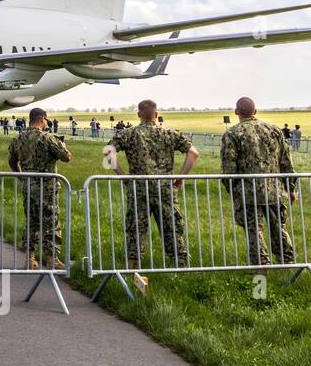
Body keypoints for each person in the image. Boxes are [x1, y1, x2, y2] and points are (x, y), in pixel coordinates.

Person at [107, 99, 200, 270]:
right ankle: (180, 264)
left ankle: (133, 265)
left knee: (136, 227)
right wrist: (180, 177)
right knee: (171, 226)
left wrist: (122, 176)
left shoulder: (128, 134)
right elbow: (193, 154)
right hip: (165, 188)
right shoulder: (170, 134)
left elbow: (107, 152)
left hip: (138, 188)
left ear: (138, 115)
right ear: (156, 115)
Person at [221, 97, 298, 266]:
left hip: (247, 192)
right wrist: (290, 188)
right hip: (274, 191)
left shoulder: (232, 134)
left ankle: (261, 264)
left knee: (253, 229)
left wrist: (232, 190)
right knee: (278, 227)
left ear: (236, 112)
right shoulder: (274, 131)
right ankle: (288, 262)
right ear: (255, 111)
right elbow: (286, 163)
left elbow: (229, 168)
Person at [8, 107, 72, 269]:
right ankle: (52, 259)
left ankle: (30, 259)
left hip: (28, 186)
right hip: (47, 188)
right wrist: (62, 144)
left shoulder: (19, 138)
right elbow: (66, 158)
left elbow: (11, 161)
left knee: (32, 222)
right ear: (43, 119)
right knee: (51, 222)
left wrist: (21, 175)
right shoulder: (47, 138)